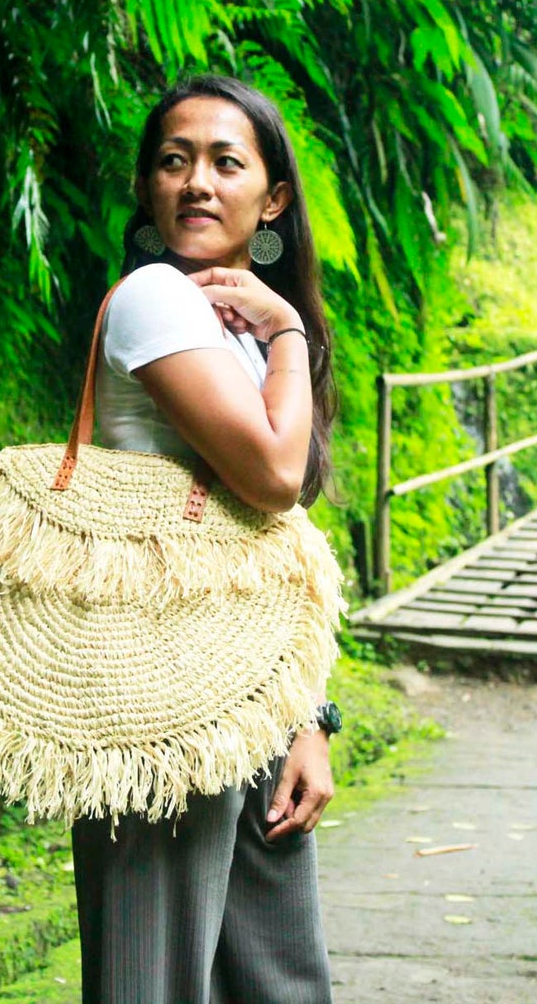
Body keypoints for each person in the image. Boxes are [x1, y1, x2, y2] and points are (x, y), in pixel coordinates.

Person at [69, 73, 342, 1004]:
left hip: (247, 683)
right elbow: (270, 478)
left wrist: (306, 717)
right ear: (148, 192)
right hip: (159, 688)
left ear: (271, 201)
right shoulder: (155, 298)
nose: (197, 182)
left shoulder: (241, 326)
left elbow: (276, 542)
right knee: (153, 979)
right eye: (174, 161)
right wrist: (294, 336)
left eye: (227, 162)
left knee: (277, 979)